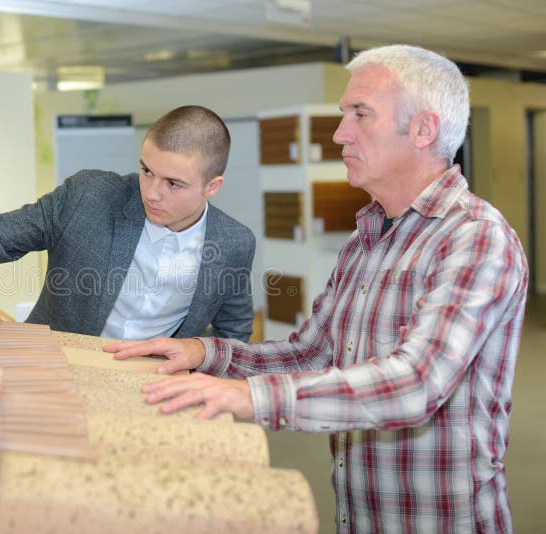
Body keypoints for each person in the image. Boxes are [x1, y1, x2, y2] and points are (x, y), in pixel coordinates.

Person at [107, 45, 528, 532]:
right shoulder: (367, 238)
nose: (339, 133)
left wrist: (254, 398)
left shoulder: (475, 237)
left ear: (423, 129)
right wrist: (203, 352)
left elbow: (417, 383)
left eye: (360, 114)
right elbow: (311, 353)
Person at [0, 105, 255, 341]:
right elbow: (4, 234)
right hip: (58, 369)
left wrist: (201, 388)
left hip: (155, 389)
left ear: (212, 187)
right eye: (147, 171)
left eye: (173, 184)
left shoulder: (234, 243)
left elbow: (234, 331)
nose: (151, 193)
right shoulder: (89, 195)